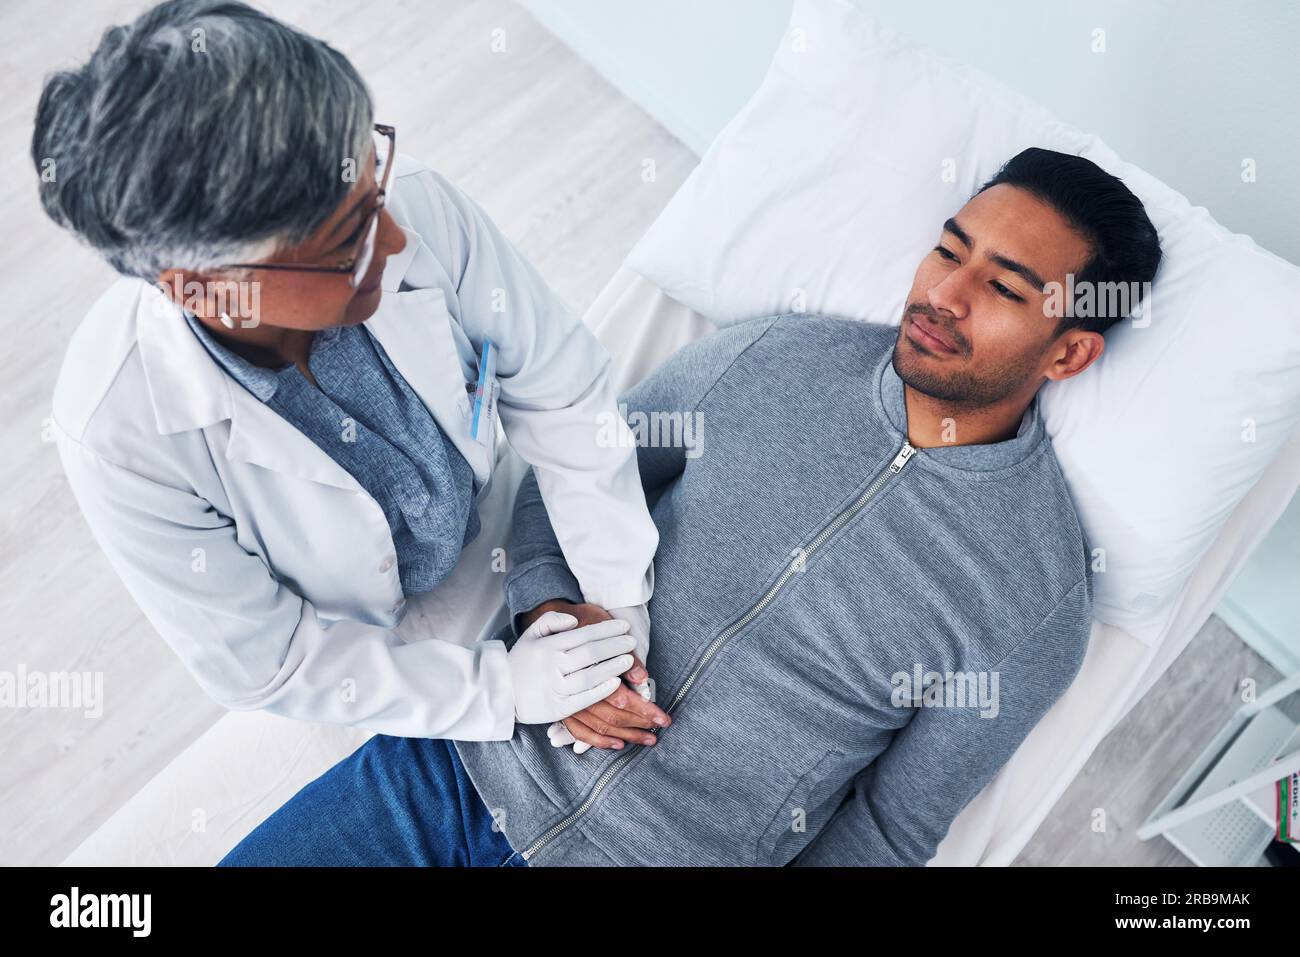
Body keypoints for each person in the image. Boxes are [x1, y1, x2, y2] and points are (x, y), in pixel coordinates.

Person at [218, 147, 1163, 866]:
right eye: (948, 250)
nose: (943, 294)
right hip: (459, 773)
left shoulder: (1033, 601)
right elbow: (572, 467)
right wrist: (550, 611)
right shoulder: (777, 361)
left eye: (1001, 287)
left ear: (1069, 351)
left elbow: (887, 826)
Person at [33, 0, 661, 741]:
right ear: (203, 289)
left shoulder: (410, 205)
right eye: (347, 240)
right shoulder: (119, 431)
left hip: (508, 525)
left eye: (373, 182)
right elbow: (270, 659)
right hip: (385, 648)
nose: (394, 237)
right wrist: (496, 690)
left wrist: (616, 604)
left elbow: (560, 388)